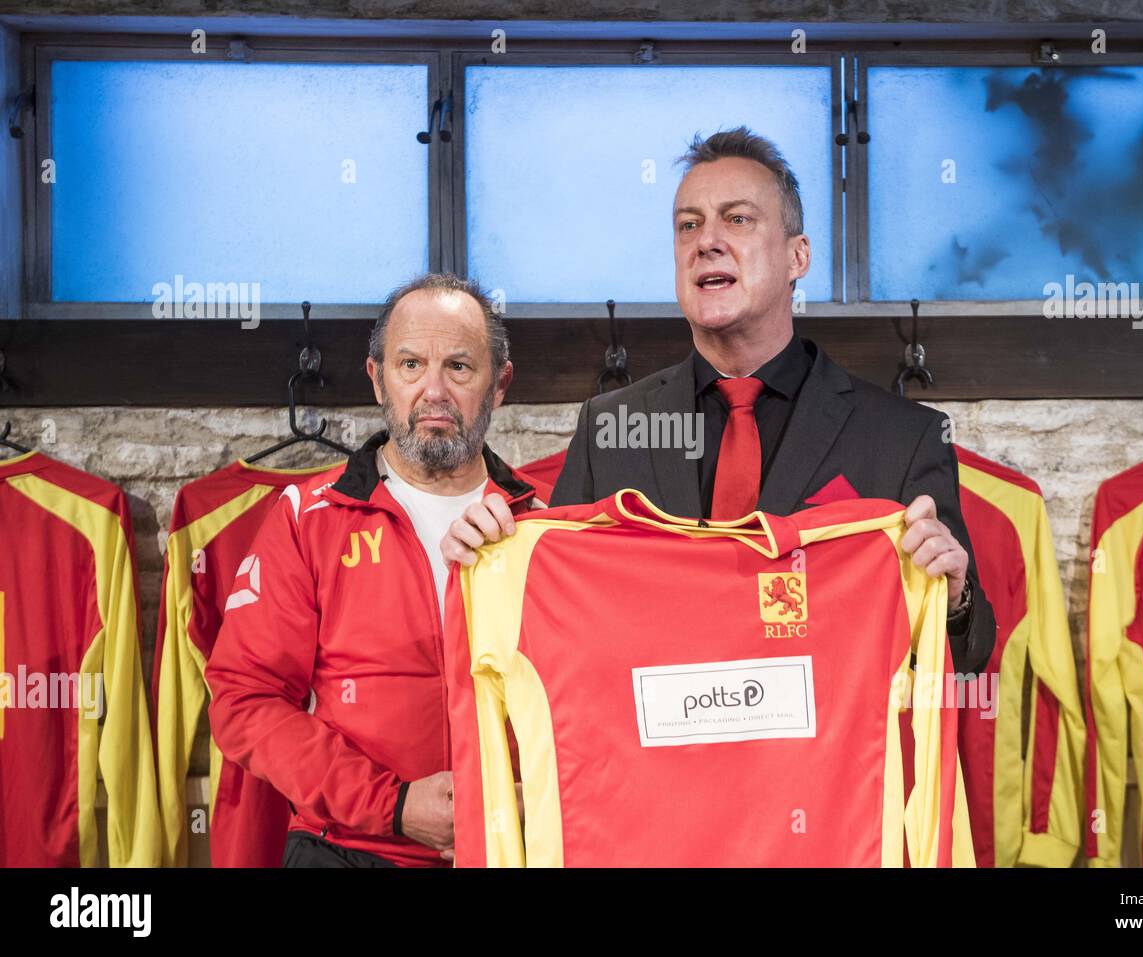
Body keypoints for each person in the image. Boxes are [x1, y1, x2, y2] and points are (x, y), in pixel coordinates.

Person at [442, 127, 994, 675]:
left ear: (797, 256)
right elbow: (555, 626)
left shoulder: (903, 437)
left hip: (829, 735)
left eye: (738, 219)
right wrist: (503, 555)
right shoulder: (610, 427)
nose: (706, 241)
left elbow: (965, 661)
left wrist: (954, 600)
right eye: (689, 225)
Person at [206, 274, 545, 867]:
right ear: (377, 378)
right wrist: (393, 805)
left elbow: (590, 699)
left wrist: (541, 792)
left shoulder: (544, 525)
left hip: (516, 847)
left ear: (499, 385)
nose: (433, 391)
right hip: (349, 849)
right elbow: (245, 700)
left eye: (459, 367)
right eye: (411, 365)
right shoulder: (308, 517)